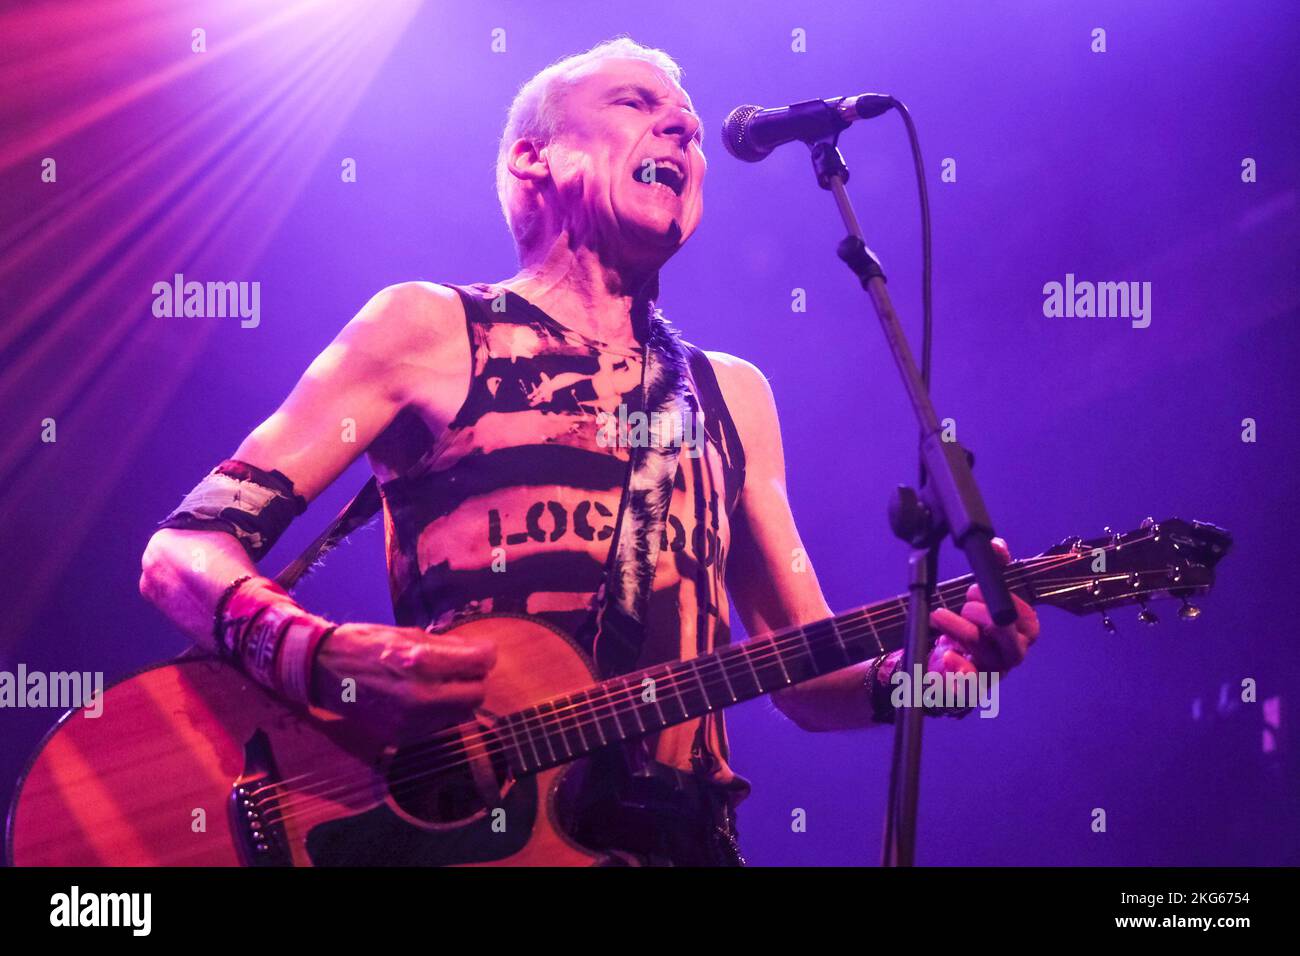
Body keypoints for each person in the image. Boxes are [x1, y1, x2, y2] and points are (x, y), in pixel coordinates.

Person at [139, 37, 1040, 866]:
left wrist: (935, 682)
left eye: (687, 123)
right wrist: (326, 657)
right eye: (635, 104)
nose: (683, 126)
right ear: (535, 157)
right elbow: (183, 553)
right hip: (468, 841)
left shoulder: (734, 394)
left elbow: (803, 675)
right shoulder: (427, 327)